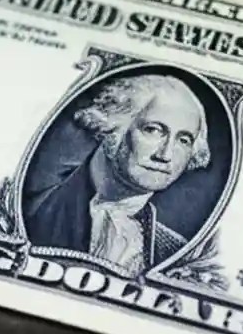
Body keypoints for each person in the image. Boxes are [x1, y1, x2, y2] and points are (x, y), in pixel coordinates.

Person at [24, 74, 211, 279]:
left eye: (183, 140)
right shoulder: (32, 209)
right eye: (154, 130)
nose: (165, 155)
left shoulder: (177, 253)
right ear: (113, 127)